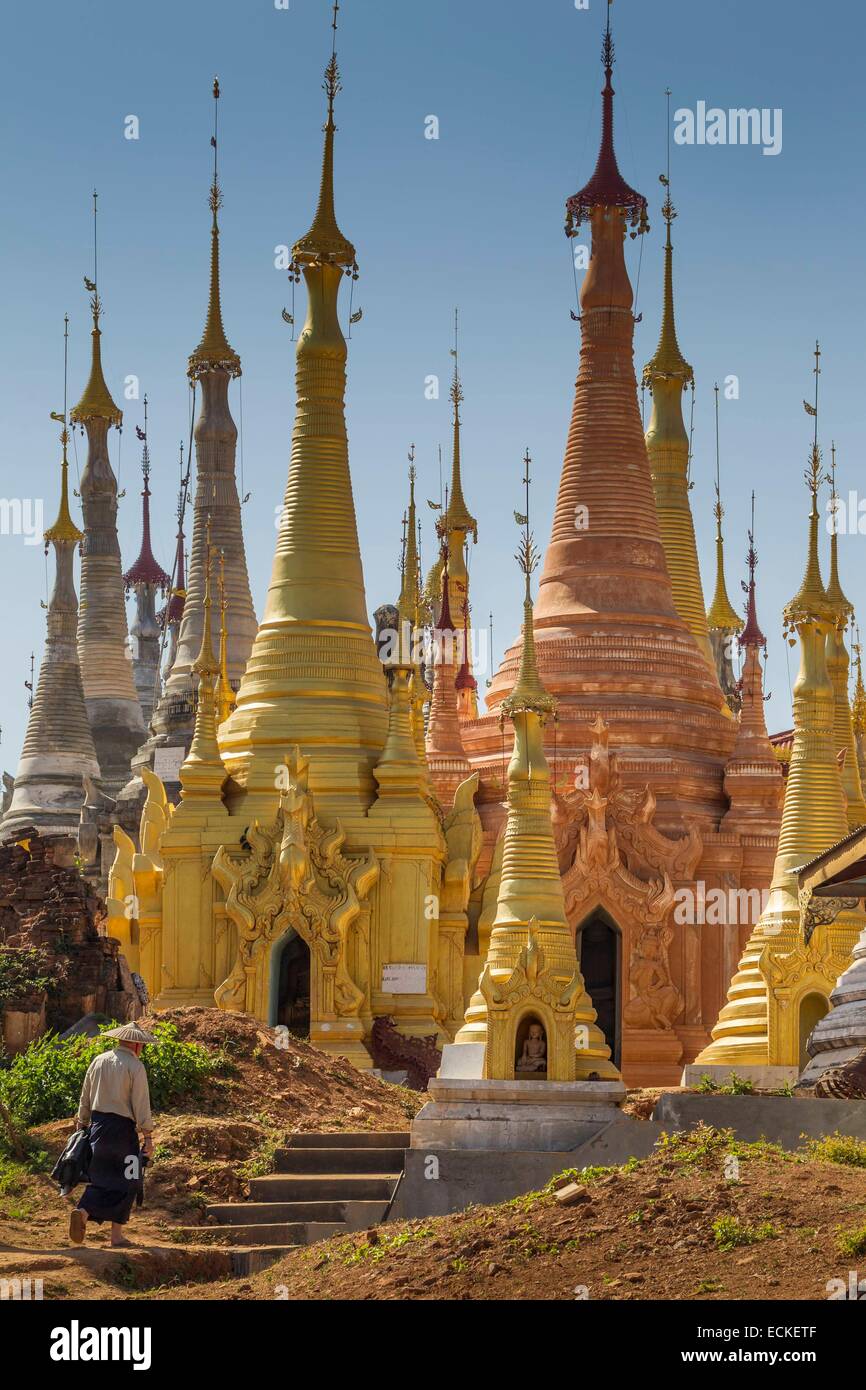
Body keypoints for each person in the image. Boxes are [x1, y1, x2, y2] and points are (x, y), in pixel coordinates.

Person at [69, 1021, 156, 1249]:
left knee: (102, 1178)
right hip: (123, 1133)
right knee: (131, 1178)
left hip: (97, 1130)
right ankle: (116, 1235)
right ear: (136, 1045)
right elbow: (141, 1105)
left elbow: (84, 1098)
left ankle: (84, 1211)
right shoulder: (135, 1066)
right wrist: (147, 1137)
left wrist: (81, 1126)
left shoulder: (98, 1061)